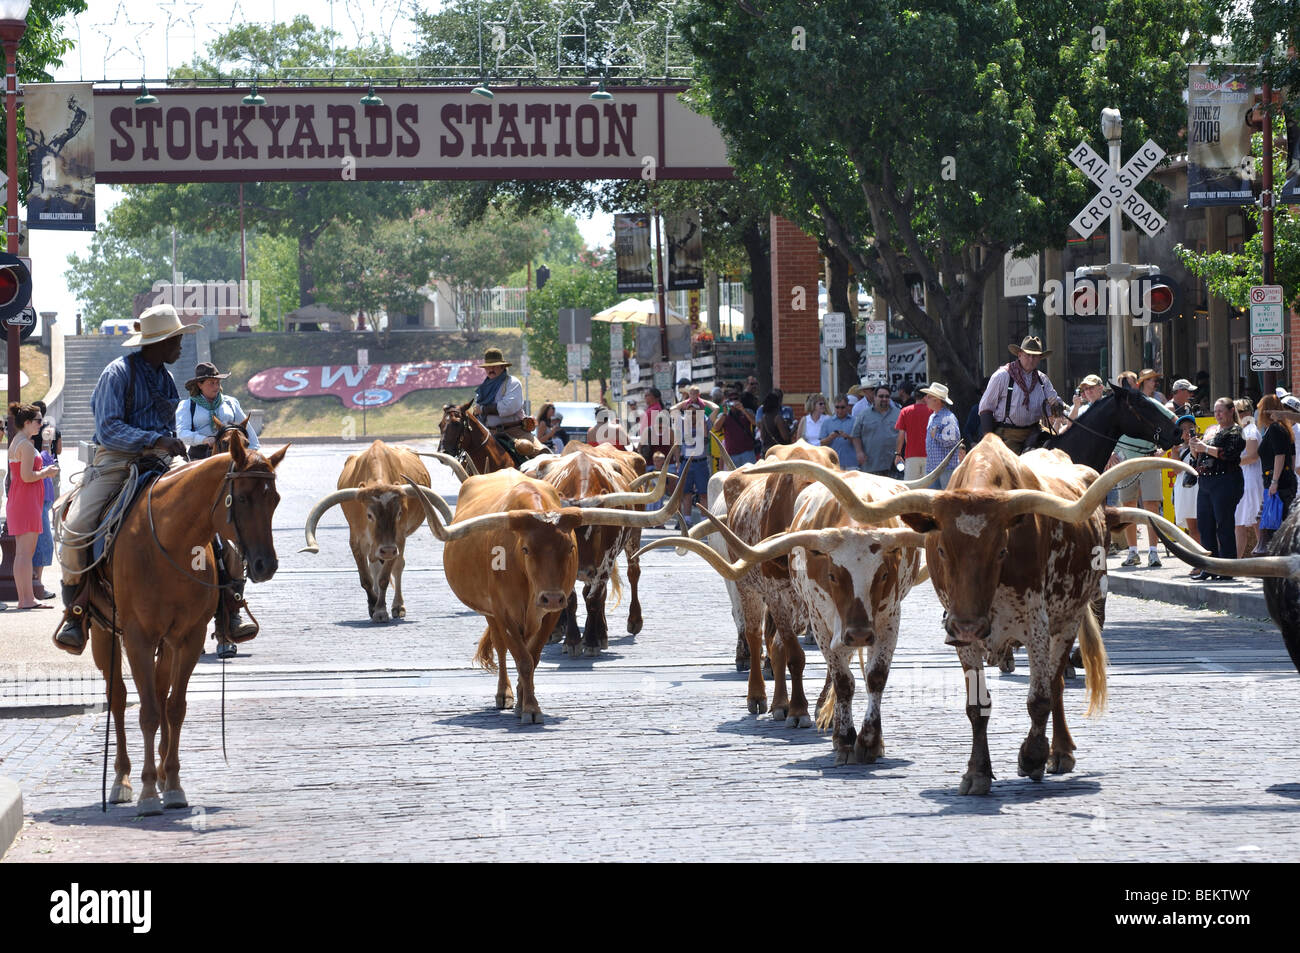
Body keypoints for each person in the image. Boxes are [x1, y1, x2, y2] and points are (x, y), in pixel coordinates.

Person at [53, 305, 214, 652]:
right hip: (116, 462)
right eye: (177, 340)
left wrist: (165, 446)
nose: (181, 346)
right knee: (77, 528)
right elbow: (108, 428)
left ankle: (229, 601)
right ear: (159, 342)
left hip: (161, 461)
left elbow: (168, 428)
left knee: (206, 513)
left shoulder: (166, 379)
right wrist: (152, 440)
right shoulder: (117, 374)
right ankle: (76, 611)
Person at [7, 402, 60, 609]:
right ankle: (26, 599)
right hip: (26, 502)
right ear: (27, 422)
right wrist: (46, 472)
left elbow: (19, 476)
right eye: (38, 421)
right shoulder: (27, 446)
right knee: (25, 554)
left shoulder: (17, 442)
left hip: (20, 500)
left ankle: (26, 598)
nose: (41, 424)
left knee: (23, 553)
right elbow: (27, 476)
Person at [1189, 397, 1246, 579]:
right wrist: (1194, 448)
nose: (1218, 415)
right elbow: (1198, 457)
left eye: (1221, 411)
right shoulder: (1211, 430)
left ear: (1231, 411)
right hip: (1206, 481)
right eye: (1215, 411)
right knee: (1205, 525)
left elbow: (1229, 454)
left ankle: (1227, 569)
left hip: (1226, 480)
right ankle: (1209, 567)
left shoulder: (1236, 431)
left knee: (1224, 524)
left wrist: (1204, 447)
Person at [978, 336, 1064, 453]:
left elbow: (1055, 406)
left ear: (1040, 358)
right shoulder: (1002, 376)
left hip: (1035, 434)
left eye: (1035, 356)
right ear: (1019, 355)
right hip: (1007, 437)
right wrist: (988, 442)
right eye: (1027, 355)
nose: (1031, 359)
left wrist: (1057, 407)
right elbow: (986, 409)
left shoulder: (1043, 380)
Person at [1113, 371, 1164, 568]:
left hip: (1148, 459)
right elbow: (1109, 433)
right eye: (1121, 383)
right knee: (1128, 508)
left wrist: (1162, 449)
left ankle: (1153, 552)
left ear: (1137, 385)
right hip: (1126, 463)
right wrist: (1111, 453)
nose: (1125, 386)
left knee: (1151, 506)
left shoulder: (1149, 403)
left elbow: (1170, 423)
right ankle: (1133, 552)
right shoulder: (1116, 409)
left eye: (1129, 383)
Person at [176, 362, 260, 459]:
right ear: (200, 385)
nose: (216, 387)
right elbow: (182, 433)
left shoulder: (230, 402)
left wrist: (252, 453)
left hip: (231, 455)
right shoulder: (187, 405)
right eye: (211, 383)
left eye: (217, 382)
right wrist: (204, 439)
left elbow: (246, 430)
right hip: (199, 457)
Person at [472, 346, 544, 457]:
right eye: (488, 367)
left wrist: (482, 409)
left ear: (502, 367)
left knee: (542, 454)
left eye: (495, 366)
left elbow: (508, 407)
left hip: (515, 432)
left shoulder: (512, 382)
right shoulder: (483, 388)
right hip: (489, 434)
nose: (491, 370)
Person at [669, 386, 716, 531]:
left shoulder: (705, 421)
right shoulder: (683, 422)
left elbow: (716, 408)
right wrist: (688, 401)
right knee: (685, 493)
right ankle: (687, 520)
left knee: (703, 493)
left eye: (695, 412)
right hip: (686, 462)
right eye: (689, 411)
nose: (692, 414)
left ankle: (704, 521)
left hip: (701, 463)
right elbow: (672, 410)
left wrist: (701, 400)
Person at [1254, 395, 1296, 554]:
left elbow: (1280, 456)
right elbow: (1291, 457)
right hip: (1284, 480)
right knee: (1281, 521)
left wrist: (1274, 481)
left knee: (1277, 523)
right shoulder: (1284, 428)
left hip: (1277, 482)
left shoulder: (1275, 428)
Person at [30, 400, 61, 601]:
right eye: (37, 420)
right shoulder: (31, 441)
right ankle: (36, 583)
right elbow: (55, 452)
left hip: (43, 491)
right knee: (41, 538)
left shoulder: (33, 438)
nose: (40, 424)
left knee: (41, 536)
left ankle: (35, 582)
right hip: (40, 491)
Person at [920, 383, 964, 489]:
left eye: (929, 397)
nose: (926, 399)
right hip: (934, 468)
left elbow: (953, 439)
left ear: (937, 400)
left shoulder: (948, 417)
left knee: (947, 501)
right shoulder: (933, 416)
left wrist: (936, 436)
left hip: (946, 469)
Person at [1234, 398, 1263, 558]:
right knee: (1239, 523)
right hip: (1243, 479)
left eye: (1240, 411)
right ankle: (1236, 562)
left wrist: (1231, 461)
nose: (1237, 415)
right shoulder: (1243, 430)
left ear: (1248, 412)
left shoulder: (1251, 430)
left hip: (1252, 480)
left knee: (1255, 521)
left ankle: (1262, 561)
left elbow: (1252, 456)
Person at [1169, 414, 1200, 562]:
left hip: (1198, 488)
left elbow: (1197, 460)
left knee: (1202, 526)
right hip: (1184, 488)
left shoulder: (1201, 444)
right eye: (1183, 429)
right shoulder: (1178, 449)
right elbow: (1176, 470)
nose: (1187, 431)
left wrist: (1195, 444)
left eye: (1190, 428)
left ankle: (1202, 559)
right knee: (1192, 527)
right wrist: (1175, 451)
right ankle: (1196, 559)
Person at [853, 384, 901, 477]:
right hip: (871, 464)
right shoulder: (863, 415)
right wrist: (859, 452)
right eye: (881, 396)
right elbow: (856, 435)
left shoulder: (898, 414)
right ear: (874, 397)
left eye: (887, 396)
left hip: (893, 464)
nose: (884, 399)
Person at [712, 388, 758, 467]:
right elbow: (716, 427)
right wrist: (724, 413)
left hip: (747, 452)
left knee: (750, 478)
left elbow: (755, 422)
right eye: (731, 399)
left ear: (739, 399)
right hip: (731, 454)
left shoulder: (747, 411)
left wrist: (743, 410)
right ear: (727, 401)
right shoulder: (723, 415)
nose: (733, 401)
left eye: (735, 399)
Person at [894, 389, 933, 480]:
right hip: (930, 456)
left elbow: (901, 435)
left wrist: (898, 454)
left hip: (911, 456)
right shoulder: (933, 411)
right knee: (929, 488)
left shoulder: (905, 411)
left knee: (910, 488)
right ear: (925, 397)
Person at [818, 395, 858, 470]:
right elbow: (822, 443)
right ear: (834, 407)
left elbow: (860, 442)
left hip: (851, 463)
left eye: (842, 407)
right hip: (833, 464)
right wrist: (830, 437)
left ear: (847, 407)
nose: (840, 410)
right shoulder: (827, 422)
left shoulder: (855, 421)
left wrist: (848, 437)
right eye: (837, 407)